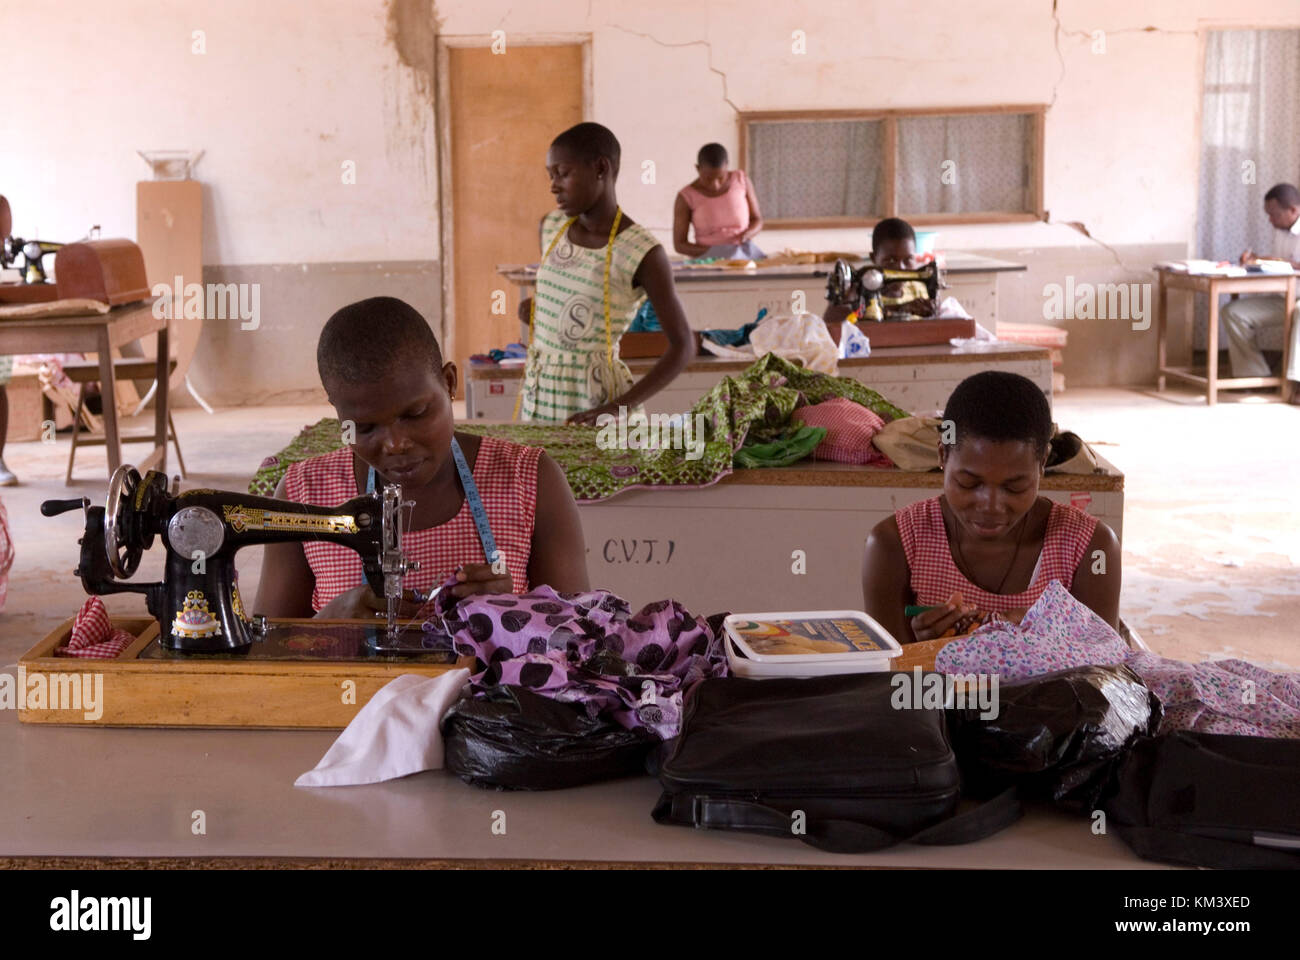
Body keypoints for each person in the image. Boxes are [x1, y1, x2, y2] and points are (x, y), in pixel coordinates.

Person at [254, 297, 590, 621]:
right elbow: (264, 655)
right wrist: (326, 625)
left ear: (449, 383)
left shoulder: (528, 479)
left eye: (415, 414)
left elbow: (581, 635)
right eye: (365, 427)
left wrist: (515, 615)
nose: (396, 444)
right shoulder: (305, 495)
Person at [861, 371, 1120, 644]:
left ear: (1042, 462)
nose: (991, 506)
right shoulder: (894, 544)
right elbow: (891, 679)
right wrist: (922, 650)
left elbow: (1103, 674)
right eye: (968, 483)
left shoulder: (1090, 547)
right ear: (942, 455)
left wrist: (1042, 640)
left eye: (1014, 487)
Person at [515, 122, 692, 424]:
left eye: (563, 173)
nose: (553, 186)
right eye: (551, 175)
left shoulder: (641, 252)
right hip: (540, 396)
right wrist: (539, 310)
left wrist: (617, 408)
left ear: (600, 168)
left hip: (597, 404)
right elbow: (573, 291)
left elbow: (683, 346)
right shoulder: (552, 228)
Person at [1222, 182, 1300, 389]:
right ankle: (1257, 377)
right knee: (1233, 312)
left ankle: (1295, 383)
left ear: (1293, 210)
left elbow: (1289, 264)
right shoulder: (1282, 231)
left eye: (1274, 214)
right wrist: (1257, 260)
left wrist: (1287, 265)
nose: (1270, 220)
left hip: (1298, 299)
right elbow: (1281, 262)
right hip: (1284, 297)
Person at [673, 143, 765, 260]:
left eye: (721, 178)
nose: (715, 185)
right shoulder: (686, 197)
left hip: (743, 255)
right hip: (707, 260)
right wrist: (715, 253)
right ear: (698, 168)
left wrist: (748, 235)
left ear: (727, 166)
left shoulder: (741, 180)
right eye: (708, 179)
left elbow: (757, 220)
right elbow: (680, 245)